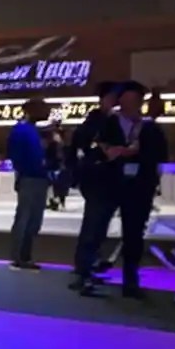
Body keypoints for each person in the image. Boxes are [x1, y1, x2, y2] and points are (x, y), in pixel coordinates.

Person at [98, 81, 169, 298]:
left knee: (134, 233)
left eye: (133, 100)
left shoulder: (150, 129)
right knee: (98, 226)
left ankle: (131, 278)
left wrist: (135, 154)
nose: (129, 105)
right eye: (125, 100)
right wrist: (111, 152)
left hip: (139, 187)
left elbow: (160, 156)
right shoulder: (109, 123)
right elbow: (97, 148)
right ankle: (91, 269)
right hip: (112, 184)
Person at [70, 81, 123, 293]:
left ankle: (89, 267)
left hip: (110, 181)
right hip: (97, 180)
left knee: (99, 227)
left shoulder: (115, 121)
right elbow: (81, 146)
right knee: (93, 226)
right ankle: (83, 269)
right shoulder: (95, 122)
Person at [7, 97, 53, 270]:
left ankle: (24, 256)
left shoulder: (30, 130)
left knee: (32, 219)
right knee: (26, 217)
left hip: (36, 177)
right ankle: (20, 256)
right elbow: (17, 155)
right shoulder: (23, 130)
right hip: (30, 177)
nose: (47, 113)